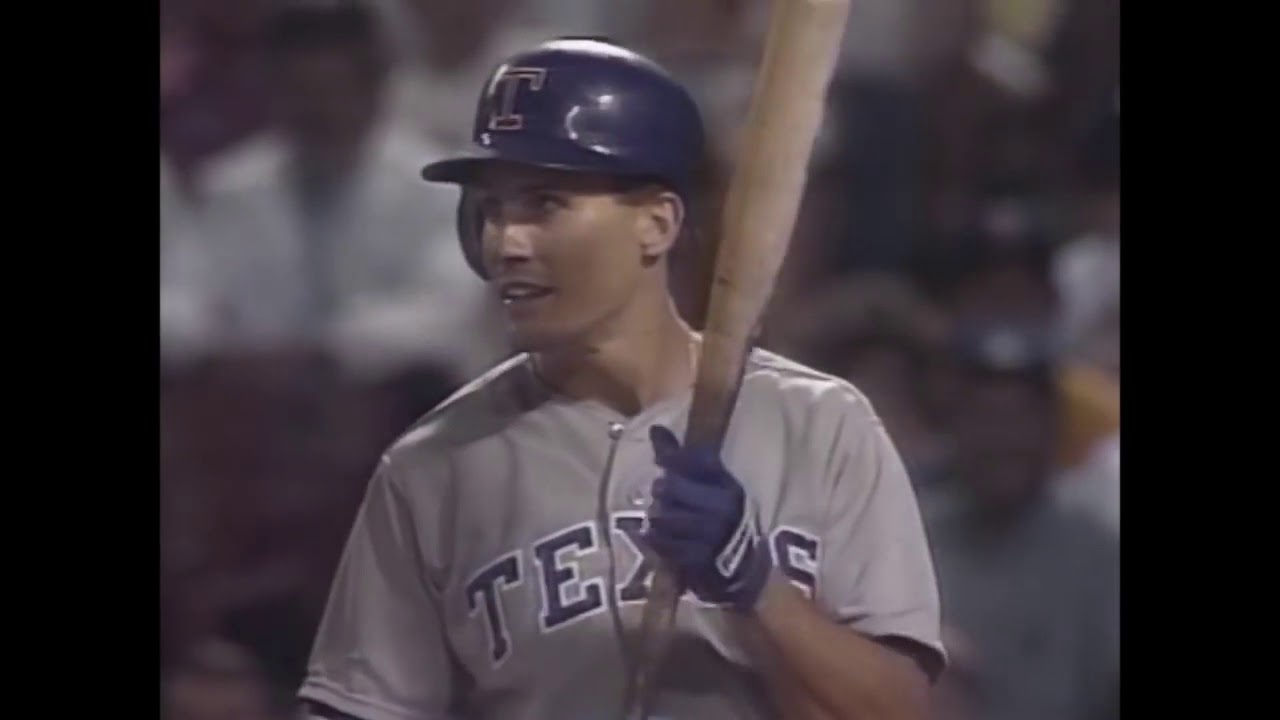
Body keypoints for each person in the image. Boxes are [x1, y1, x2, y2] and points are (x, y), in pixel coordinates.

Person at [298, 37, 945, 720]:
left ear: (657, 224)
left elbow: (899, 711)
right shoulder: (432, 465)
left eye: (544, 204)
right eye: (491, 209)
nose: (505, 242)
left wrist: (757, 587)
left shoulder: (818, 423)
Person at [920, 321, 1119, 720]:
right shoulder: (908, 535)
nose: (1004, 438)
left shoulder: (1099, 551)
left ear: (1052, 426)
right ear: (953, 424)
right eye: (986, 416)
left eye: (1021, 416)